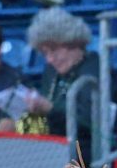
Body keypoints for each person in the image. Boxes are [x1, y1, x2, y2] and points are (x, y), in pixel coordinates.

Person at [20, 8, 99, 152]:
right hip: (53, 150)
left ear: (75, 43)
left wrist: (50, 110)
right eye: (45, 53)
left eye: (54, 50)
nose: (49, 59)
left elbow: (90, 125)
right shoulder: (52, 70)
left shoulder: (95, 70)